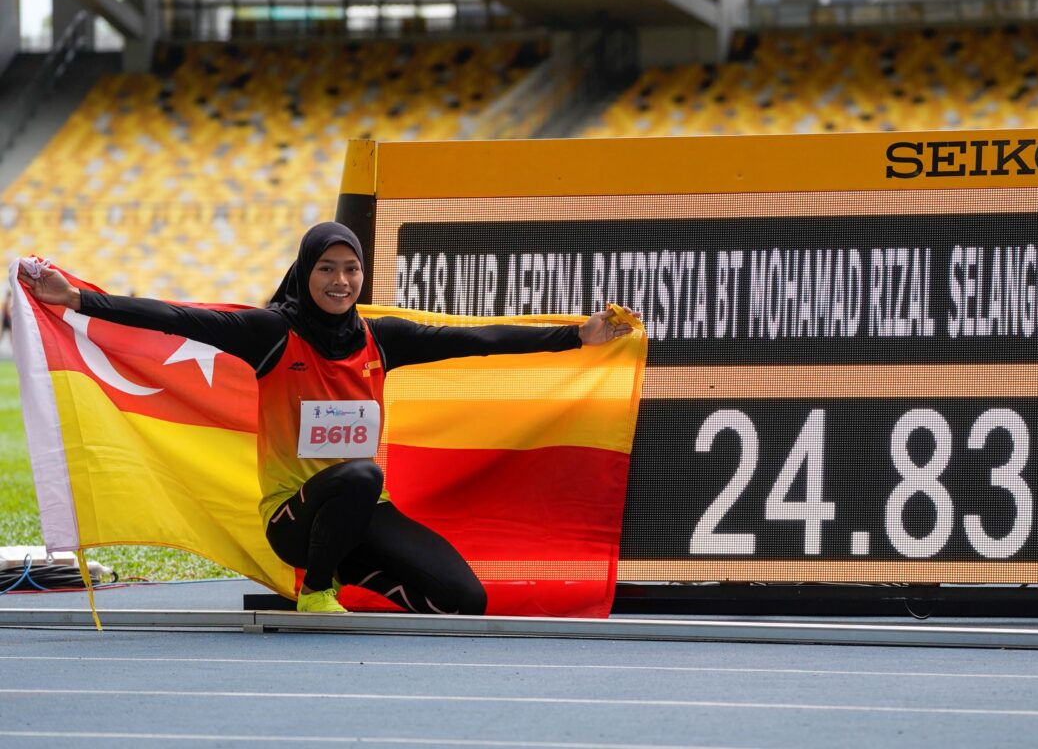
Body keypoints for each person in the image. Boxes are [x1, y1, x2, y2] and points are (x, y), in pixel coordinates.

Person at [18, 221, 636, 614]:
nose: (341, 281)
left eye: (351, 269)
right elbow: (175, 317)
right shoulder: (270, 334)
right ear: (305, 272)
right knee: (360, 474)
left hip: (365, 512)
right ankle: (314, 588)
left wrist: (576, 336)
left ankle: (345, 567)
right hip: (291, 518)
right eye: (326, 269)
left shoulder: (381, 338)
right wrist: (78, 301)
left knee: (463, 599)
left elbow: (474, 340)